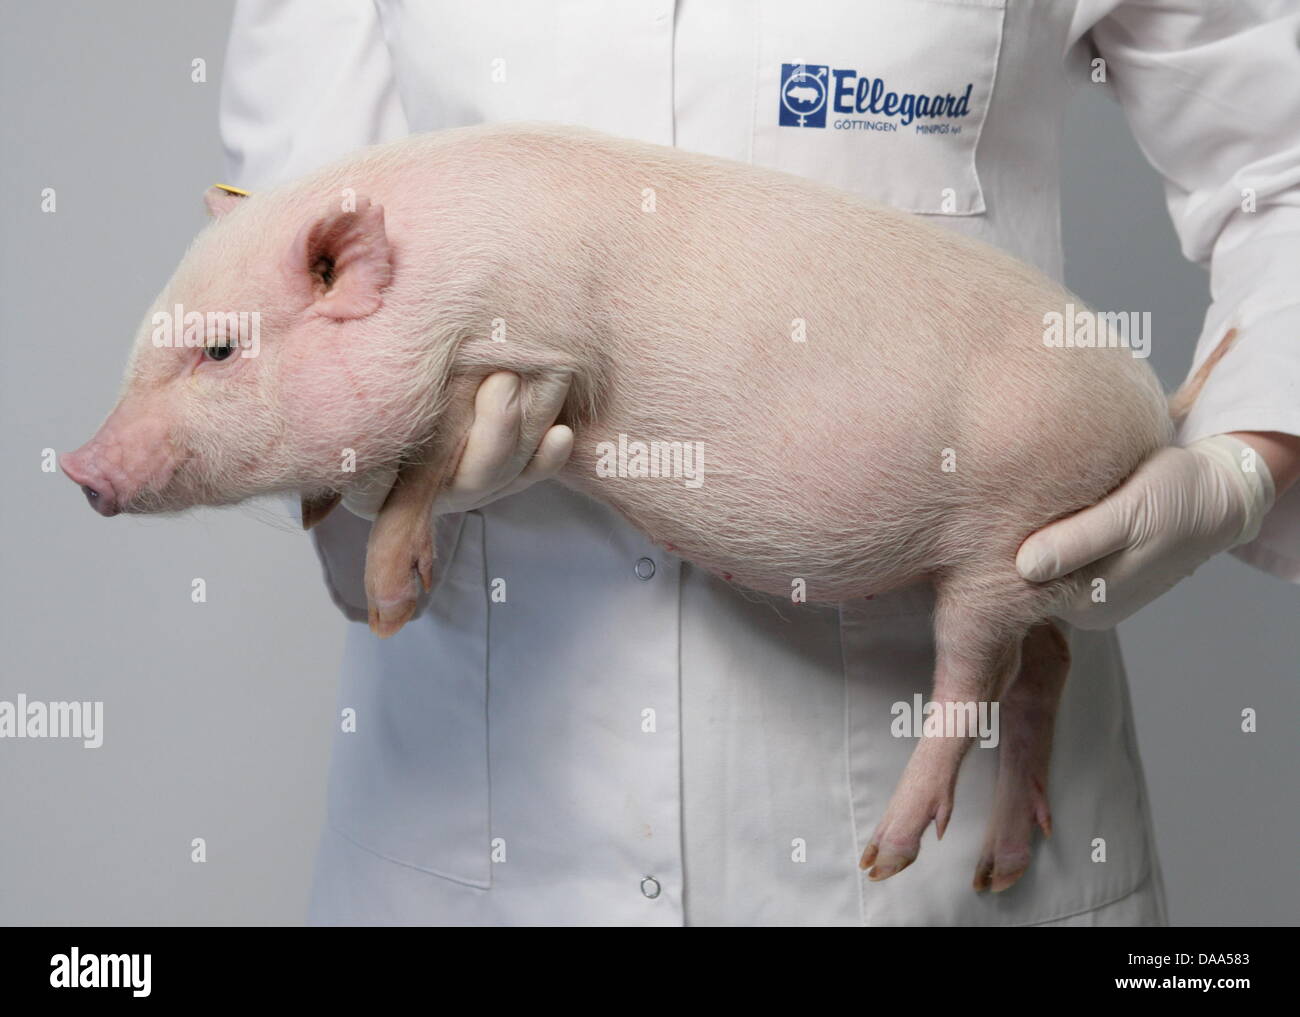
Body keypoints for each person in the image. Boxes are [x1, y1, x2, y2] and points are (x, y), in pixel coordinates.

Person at [219, 0, 1300, 925]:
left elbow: (1280, 169)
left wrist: (1249, 462)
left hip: (942, 836)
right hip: (481, 834)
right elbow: (283, 264)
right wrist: (373, 468)